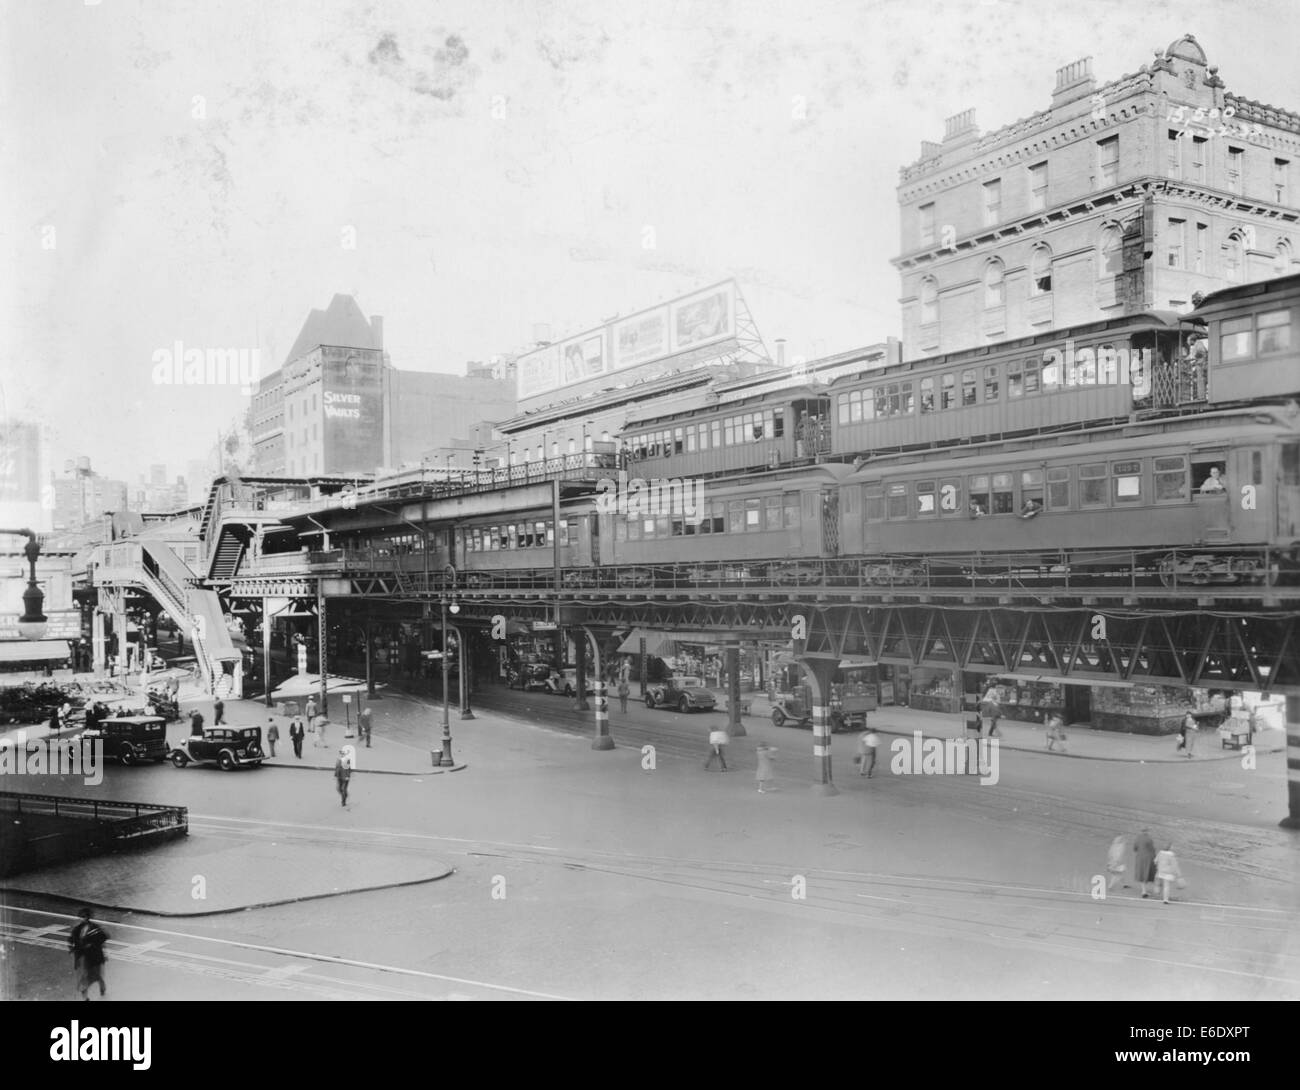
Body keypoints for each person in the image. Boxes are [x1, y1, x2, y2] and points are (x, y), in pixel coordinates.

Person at [68, 907, 109, 1001]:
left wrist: (94, 946)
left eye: (83, 917)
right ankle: (85, 997)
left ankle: (102, 986)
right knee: (83, 976)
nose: (81, 919)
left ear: (87, 917)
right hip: (82, 956)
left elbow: (102, 939)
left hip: (94, 956)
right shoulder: (77, 929)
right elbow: (71, 939)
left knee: (97, 975)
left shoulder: (95, 928)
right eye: (80, 917)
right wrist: (72, 947)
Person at [1133, 828, 1157, 899]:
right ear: (1147, 832)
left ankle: (1144, 891)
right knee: (1149, 873)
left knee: (1142, 874)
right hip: (1148, 858)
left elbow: (1134, 848)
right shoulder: (1149, 839)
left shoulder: (1137, 838)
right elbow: (1152, 849)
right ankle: (1154, 889)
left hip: (1140, 858)